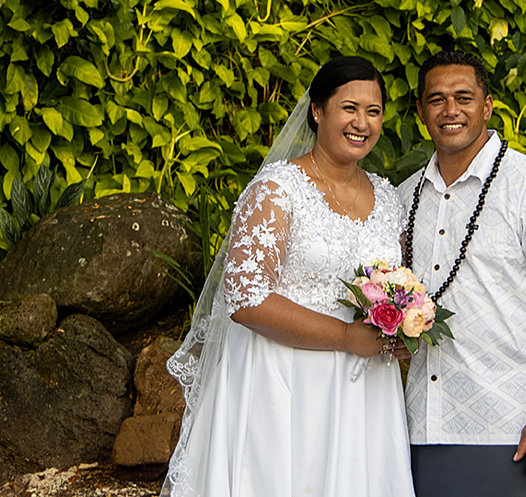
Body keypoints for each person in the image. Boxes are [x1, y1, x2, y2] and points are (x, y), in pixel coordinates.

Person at [162, 56, 415, 497]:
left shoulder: (388, 198)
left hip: (362, 391)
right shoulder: (278, 190)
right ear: (318, 111)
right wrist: (344, 336)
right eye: (349, 108)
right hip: (282, 382)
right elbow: (245, 300)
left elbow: (395, 284)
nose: (362, 123)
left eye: (373, 111)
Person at [398, 50, 526, 496]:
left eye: (463, 97)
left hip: (509, 427)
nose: (450, 111)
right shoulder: (405, 199)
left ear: (486, 106)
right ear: (422, 111)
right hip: (418, 426)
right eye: (436, 99)